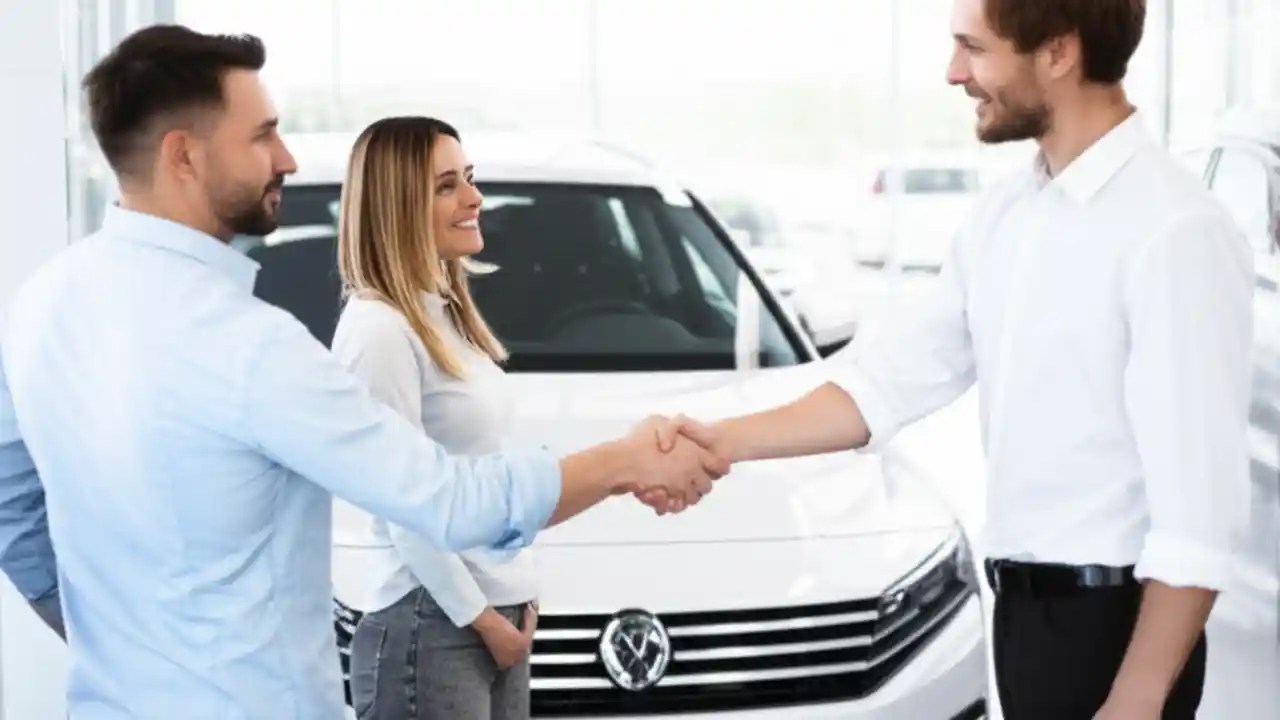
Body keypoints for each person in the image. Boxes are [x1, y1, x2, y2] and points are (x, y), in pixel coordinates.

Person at [0, 25, 725, 719]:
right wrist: (623, 460)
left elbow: (13, 509)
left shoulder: (37, 307)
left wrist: (121, 647)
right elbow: (443, 501)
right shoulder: (248, 345)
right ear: (183, 156)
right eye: (262, 135)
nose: (286, 158)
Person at [654, 1, 1253, 718]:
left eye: (974, 48)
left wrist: (1138, 699)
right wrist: (720, 441)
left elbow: (1198, 518)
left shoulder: (1175, 230)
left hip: (1117, 635)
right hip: (1026, 624)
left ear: (1058, 53)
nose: (953, 72)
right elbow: (883, 384)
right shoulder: (1007, 214)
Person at [329, 116, 538, 719]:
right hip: (435, 619)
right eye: (447, 186)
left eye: (469, 178)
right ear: (397, 206)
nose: (475, 198)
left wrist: (521, 587)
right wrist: (482, 618)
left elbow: (484, 467)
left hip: (488, 612)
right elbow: (404, 506)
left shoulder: (444, 314)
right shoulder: (378, 330)